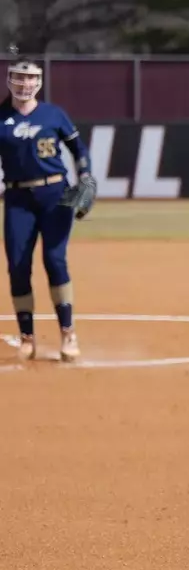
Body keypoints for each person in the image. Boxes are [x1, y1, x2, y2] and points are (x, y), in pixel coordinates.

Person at [0, 58, 97, 362]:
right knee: (17, 265)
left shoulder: (54, 114)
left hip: (56, 193)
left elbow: (78, 150)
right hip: (17, 197)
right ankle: (27, 337)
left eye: (30, 78)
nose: (24, 84)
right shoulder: (1, 117)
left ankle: (68, 333)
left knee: (54, 260)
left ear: (39, 82)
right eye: (18, 77)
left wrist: (85, 176)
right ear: (9, 80)